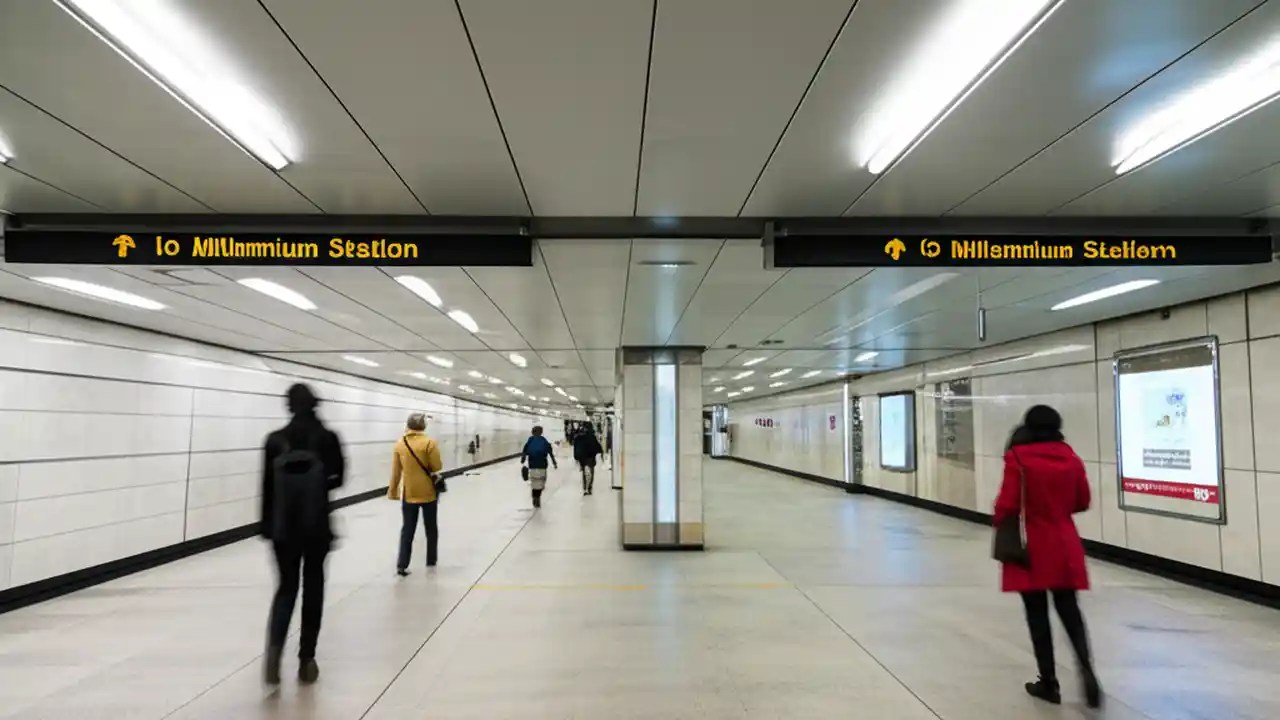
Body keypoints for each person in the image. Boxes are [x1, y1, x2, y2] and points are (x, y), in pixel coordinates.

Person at [994, 405, 1101, 709]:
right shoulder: (1071, 458)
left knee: (1037, 614)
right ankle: (1087, 671)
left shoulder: (1018, 459)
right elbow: (1083, 500)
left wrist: (1001, 522)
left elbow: (1008, 504)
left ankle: (1049, 682)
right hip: (1065, 543)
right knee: (1070, 611)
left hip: (1032, 545)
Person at [260, 383, 345, 686]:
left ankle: (273, 655)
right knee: (313, 589)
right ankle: (306, 660)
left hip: (282, 529)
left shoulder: (274, 441)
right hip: (316, 526)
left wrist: (268, 528)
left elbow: (267, 489)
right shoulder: (328, 438)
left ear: (288, 406)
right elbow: (338, 479)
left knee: (285, 589)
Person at [389, 412, 443, 576]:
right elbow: (437, 466)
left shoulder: (400, 444)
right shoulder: (429, 443)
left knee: (408, 529)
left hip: (409, 493)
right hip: (428, 492)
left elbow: (396, 472)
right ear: (423, 426)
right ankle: (431, 559)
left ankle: (402, 564)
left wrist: (393, 491)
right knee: (431, 527)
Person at [520, 425, 557, 508]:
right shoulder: (544, 441)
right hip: (542, 465)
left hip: (532, 465)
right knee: (541, 483)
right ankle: (538, 497)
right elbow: (550, 453)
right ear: (541, 432)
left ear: (533, 432)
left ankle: (535, 497)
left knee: (534, 482)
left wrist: (523, 460)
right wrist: (554, 463)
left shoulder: (530, 440)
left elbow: (524, 451)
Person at [572, 425, 604, 495]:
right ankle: (589, 488)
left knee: (584, 472)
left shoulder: (579, 438)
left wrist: (576, 457)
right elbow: (597, 446)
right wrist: (600, 452)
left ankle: (585, 488)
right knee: (591, 472)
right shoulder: (592, 437)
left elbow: (576, 448)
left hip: (583, 458)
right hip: (591, 458)